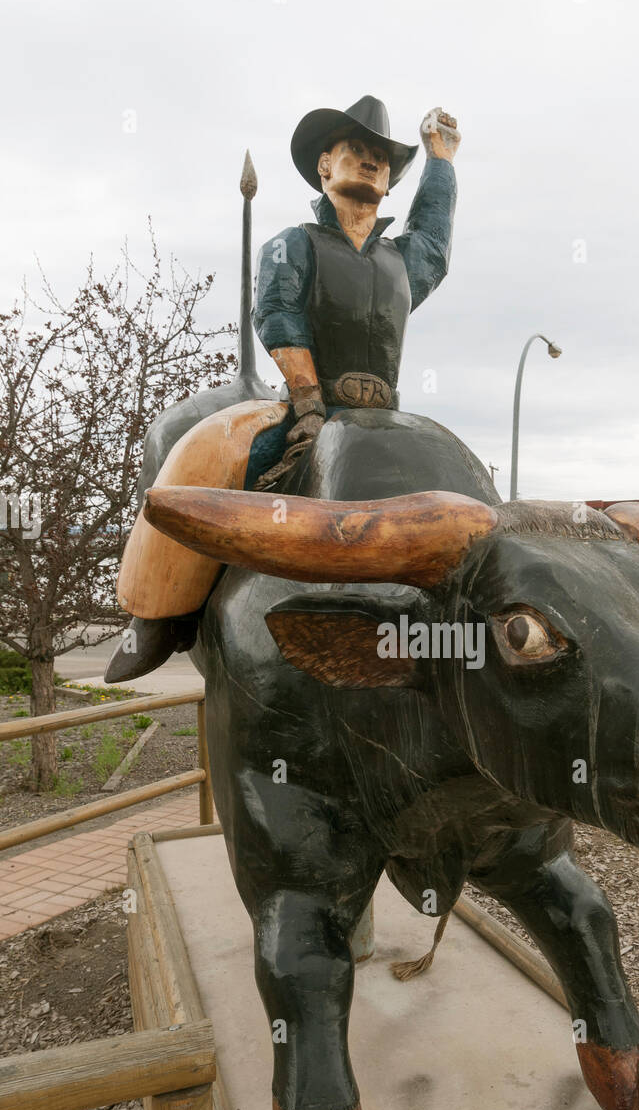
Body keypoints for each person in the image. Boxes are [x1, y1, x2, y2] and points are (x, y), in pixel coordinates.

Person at [106, 96, 460, 681]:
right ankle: (155, 613)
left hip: (384, 417)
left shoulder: (403, 261)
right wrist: (308, 403)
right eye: (357, 152)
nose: (371, 163)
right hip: (308, 406)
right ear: (326, 165)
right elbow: (277, 313)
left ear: (392, 182)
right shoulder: (293, 243)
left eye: (381, 158)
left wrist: (441, 158)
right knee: (206, 452)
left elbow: (436, 238)